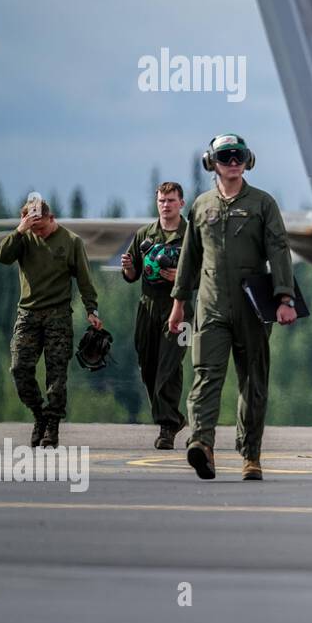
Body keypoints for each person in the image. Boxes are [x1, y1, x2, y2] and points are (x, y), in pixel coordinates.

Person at [168, 134, 297, 481]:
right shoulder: (201, 206)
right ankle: (201, 443)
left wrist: (284, 298)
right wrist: (179, 304)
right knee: (205, 375)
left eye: (238, 155)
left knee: (253, 381)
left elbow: (278, 249)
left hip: (252, 306)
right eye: (225, 156)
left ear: (248, 159)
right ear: (213, 162)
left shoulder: (262, 204)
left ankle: (250, 454)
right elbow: (189, 257)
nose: (233, 161)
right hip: (209, 305)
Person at [0, 195, 101, 448]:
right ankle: (38, 414)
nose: (38, 233)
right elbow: (2, 256)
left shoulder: (71, 242)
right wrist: (20, 230)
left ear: (51, 218)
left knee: (56, 375)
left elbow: (84, 279)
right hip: (28, 314)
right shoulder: (24, 238)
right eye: (34, 228)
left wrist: (91, 309)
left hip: (58, 315)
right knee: (19, 368)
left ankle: (52, 426)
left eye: (41, 227)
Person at [121, 181, 190, 450]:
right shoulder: (144, 235)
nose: (166, 205)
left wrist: (183, 279)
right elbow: (132, 273)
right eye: (162, 200)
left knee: (169, 366)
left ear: (181, 203)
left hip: (181, 307)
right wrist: (127, 268)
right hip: (148, 306)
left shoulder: (191, 235)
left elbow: (207, 272)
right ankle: (173, 418)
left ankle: (167, 426)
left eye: (171, 200)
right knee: (148, 365)